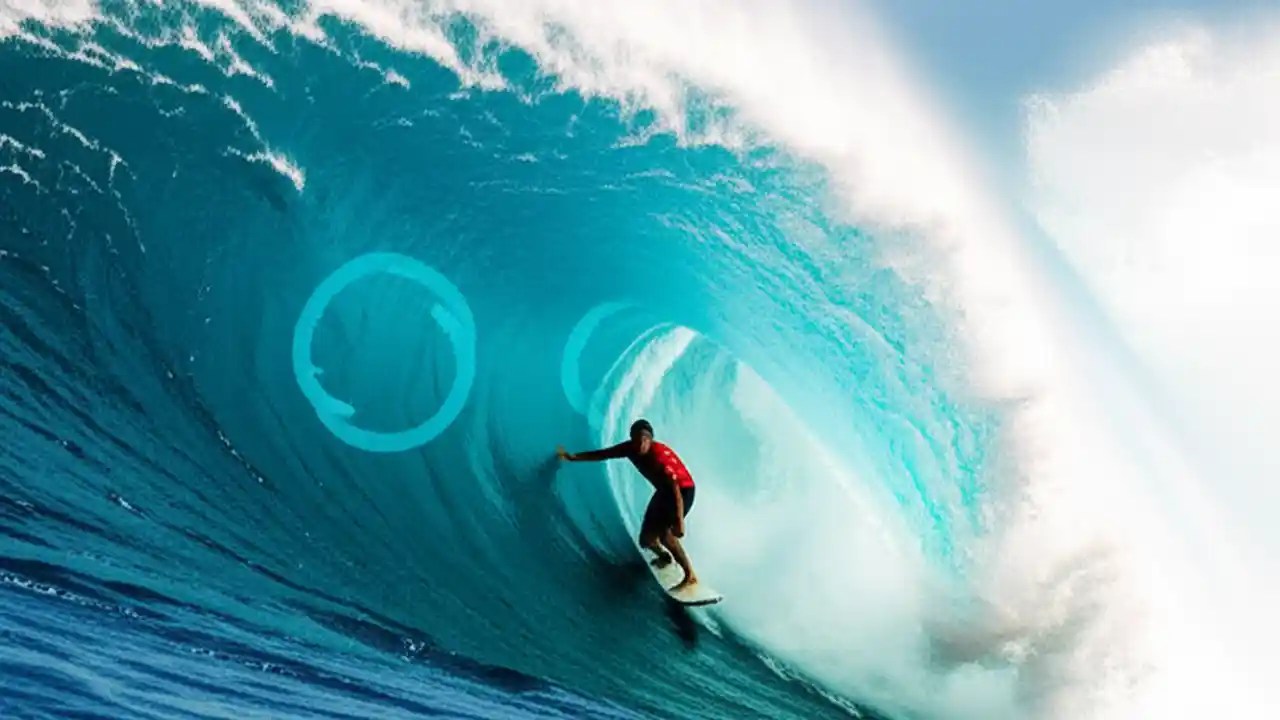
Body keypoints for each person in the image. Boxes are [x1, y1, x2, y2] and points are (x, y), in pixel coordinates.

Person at [557, 419, 699, 592]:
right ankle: (664, 556)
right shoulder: (628, 449)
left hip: (682, 491)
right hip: (664, 492)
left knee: (665, 534)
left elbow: (675, 490)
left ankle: (690, 575)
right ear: (631, 438)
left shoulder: (659, 456)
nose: (640, 444)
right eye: (637, 439)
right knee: (646, 541)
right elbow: (603, 454)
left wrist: (679, 522)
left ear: (651, 440)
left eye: (645, 440)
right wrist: (574, 457)